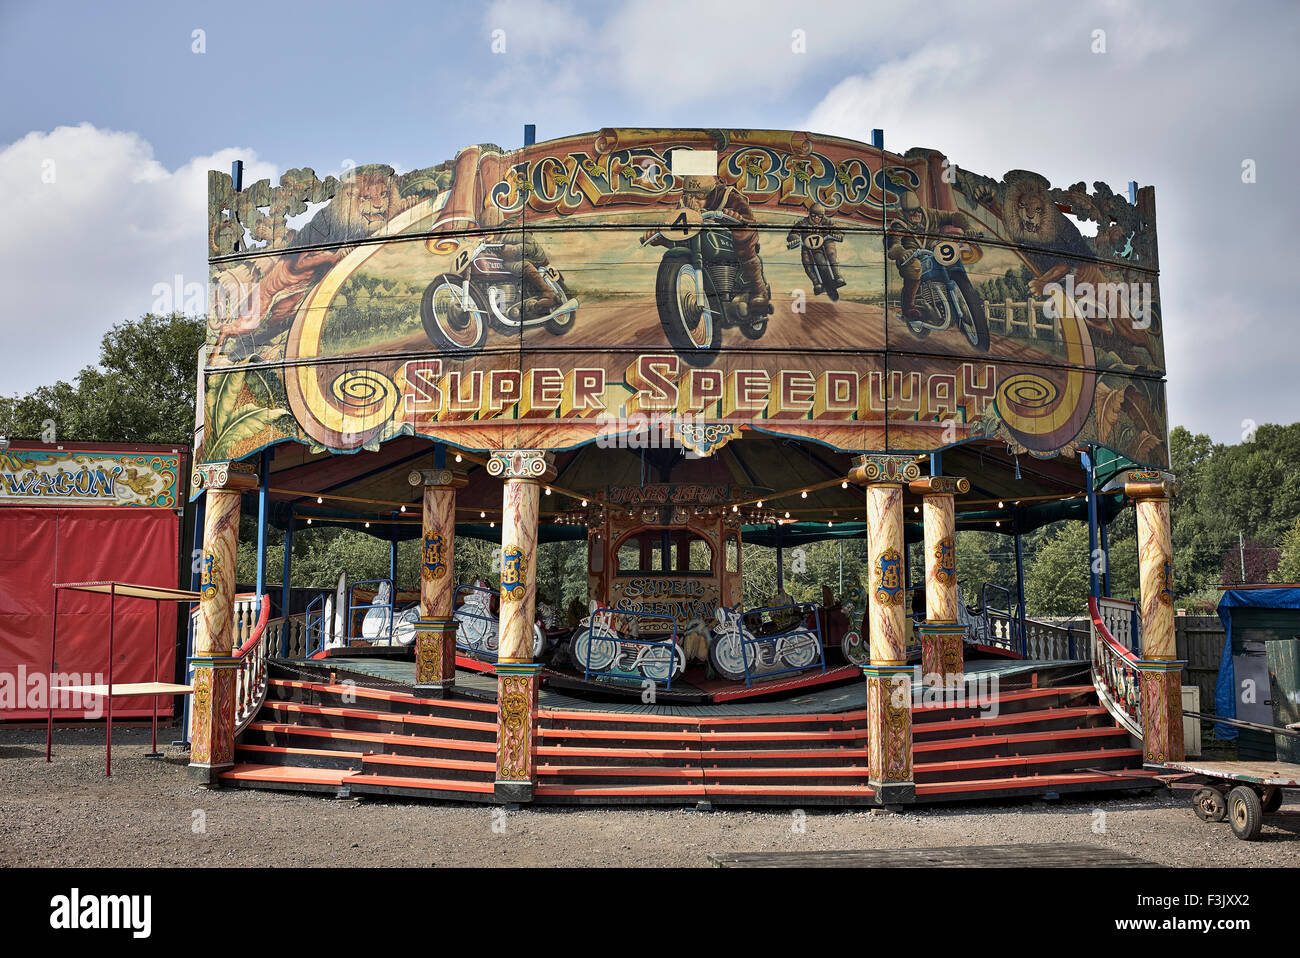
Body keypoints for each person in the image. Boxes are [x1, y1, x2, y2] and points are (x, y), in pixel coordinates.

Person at [646, 174, 771, 312]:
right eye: (689, 195)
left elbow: (749, 221)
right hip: (704, 238)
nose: (694, 200)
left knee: (744, 241)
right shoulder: (685, 205)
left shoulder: (729, 196)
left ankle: (759, 290)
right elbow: (678, 226)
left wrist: (736, 217)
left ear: (711, 193)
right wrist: (662, 235)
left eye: (699, 195)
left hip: (729, 236)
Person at [886, 191, 971, 321]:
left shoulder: (931, 215)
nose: (916, 214)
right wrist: (902, 252)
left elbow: (954, 216)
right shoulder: (898, 225)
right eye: (911, 212)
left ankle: (966, 295)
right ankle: (909, 308)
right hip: (912, 257)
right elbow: (894, 247)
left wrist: (968, 227)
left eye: (917, 210)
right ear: (903, 213)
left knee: (951, 256)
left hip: (934, 253)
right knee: (914, 266)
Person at [786, 202, 845, 295]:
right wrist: (795, 239)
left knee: (831, 252)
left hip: (825, 242)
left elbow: (836, 229)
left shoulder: (827, 221)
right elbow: (793, 233)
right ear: (810, 214)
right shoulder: (802, 223)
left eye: (819, 216)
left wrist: (837, 234)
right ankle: (816, 283)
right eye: (813, 215)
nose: (816, 218)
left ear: (822, 216)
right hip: (808, 245)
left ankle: (838, 276)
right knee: (806, 261)